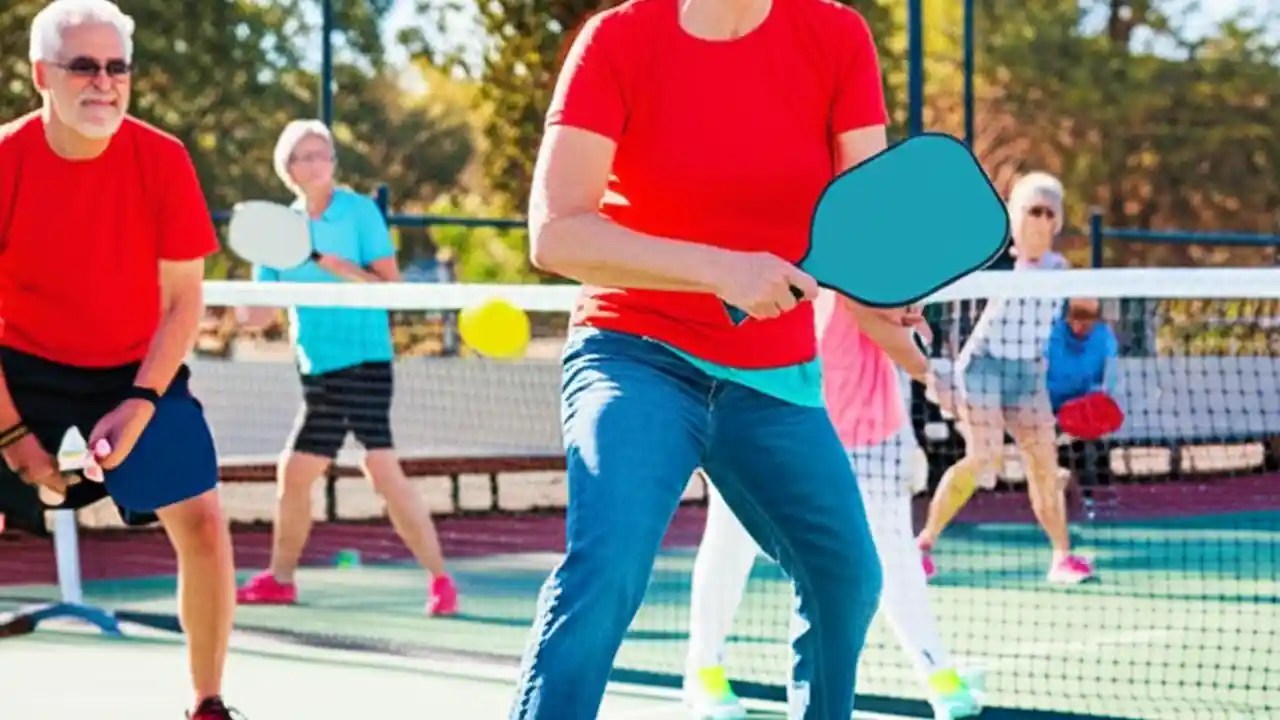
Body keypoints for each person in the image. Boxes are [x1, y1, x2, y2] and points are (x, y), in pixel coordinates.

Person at [508, 0, 917, 717]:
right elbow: (555, 234)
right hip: (634, 355)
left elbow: (868, 222)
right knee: (608, 569)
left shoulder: (837, 35)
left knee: (845, 576)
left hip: (775, 379)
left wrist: (886, 290)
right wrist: (720, 270)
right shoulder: (617, 39)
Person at [0, 2, 240, 717]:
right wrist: (13, 437)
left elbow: (183, 303)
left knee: (201, 522)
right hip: (20, 370)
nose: (103, 82)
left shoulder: (162, 158)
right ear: (43, 75)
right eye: (83, 66)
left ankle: (208, 701)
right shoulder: (4, 162)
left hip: (136, 373)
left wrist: (139, 402)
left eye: (116, 67)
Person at [683, 290, 985, 720]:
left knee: (891, 560)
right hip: (773, 411)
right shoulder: (824, 241)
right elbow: (867, 310)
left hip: (868, 432)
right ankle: (704, 673)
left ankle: (939, 678)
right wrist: (931, 374)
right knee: (733, 543)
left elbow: (886, 315)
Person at [234, 120, 458, 615]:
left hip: (366, 361)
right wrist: (242, 308)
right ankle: (282, 579)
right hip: (317, 367)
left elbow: (390, 288)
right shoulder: (279, 229)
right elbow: (263, 312)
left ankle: (440, 580)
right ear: (287, 168)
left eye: (324, 155)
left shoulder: (359, 213)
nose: (317, 164)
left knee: (377, 467)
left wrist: (338, 267)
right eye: (305, 157)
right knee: (297, 474)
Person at [916, 172, 1097, 585]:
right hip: (983, 366)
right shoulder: (994, 261)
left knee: (1044, 467)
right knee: (985, 459)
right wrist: (938, 376)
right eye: (1031, 210)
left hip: (1028, 372)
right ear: (1014, 215)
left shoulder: (1062, 271)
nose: (1038, 219)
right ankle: (923, 544)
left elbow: (1082, 313)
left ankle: (1062, 558)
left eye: (1047, 212)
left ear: (1057, 221)